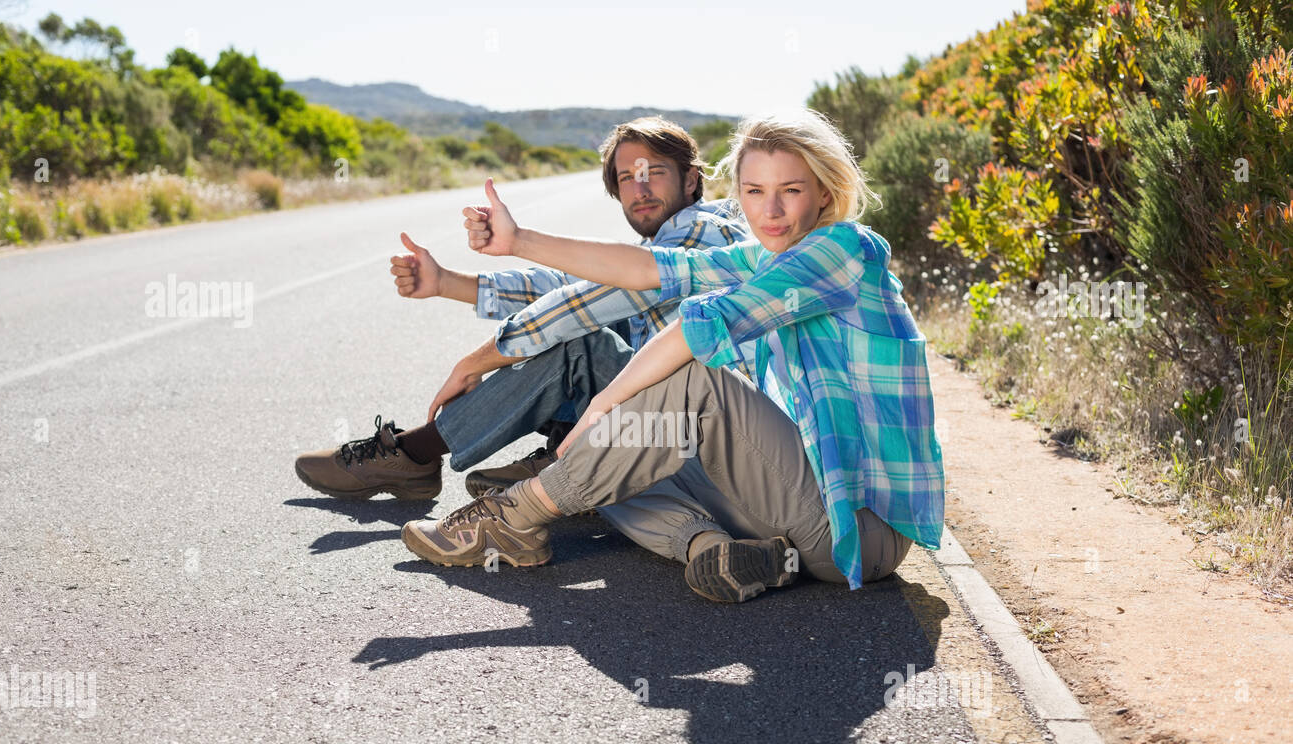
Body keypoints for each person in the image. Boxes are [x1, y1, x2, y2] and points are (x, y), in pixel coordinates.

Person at [400, 110, 946, 603]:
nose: (770, 209)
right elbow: (648, 273)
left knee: (691, 386)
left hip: (857, 529)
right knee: (624, 461)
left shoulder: (845, 249)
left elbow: (694, 328)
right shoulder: (768, 252)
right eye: (755, 191)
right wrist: (519, 241)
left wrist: (601, 408)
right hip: (794, 504)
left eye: (791, 190)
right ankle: (714, 548)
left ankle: (516, 515)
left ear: (824, 193)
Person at [293, 117, 749, 502]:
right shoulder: (663, 242)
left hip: (713, 436)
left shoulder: (701, 232)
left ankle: (413, 454)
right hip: (681, 420)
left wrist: (479, 360)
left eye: (655, 172)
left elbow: (579, 307)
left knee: (580, 346)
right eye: (627, 177)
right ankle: (562, 455)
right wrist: (447, 283)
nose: (640, 187)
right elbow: (568, 284)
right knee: (587, 338)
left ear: (691, 180)